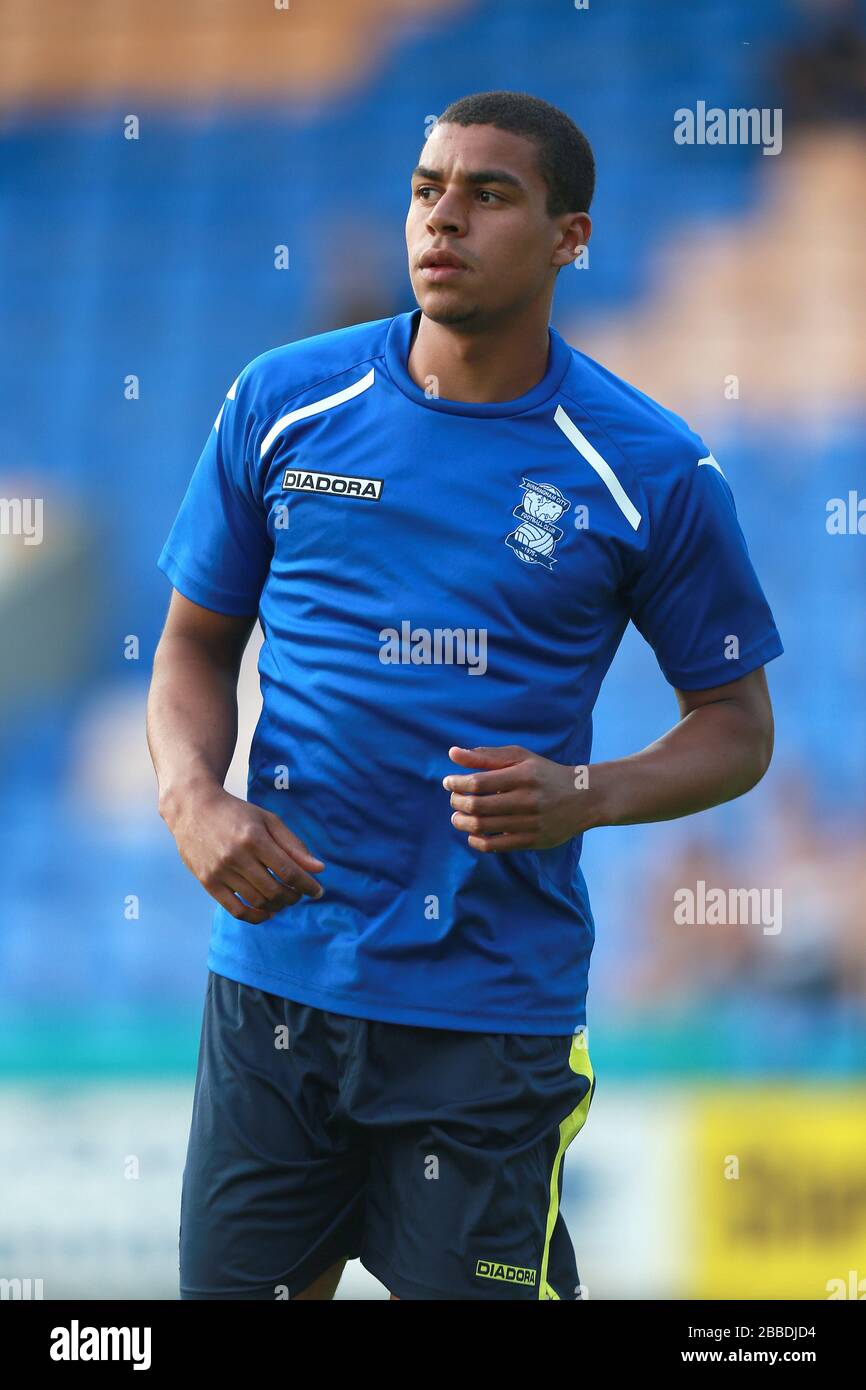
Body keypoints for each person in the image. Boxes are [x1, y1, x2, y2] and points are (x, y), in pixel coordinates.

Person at [146, 90, 783, 1301]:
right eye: (426, 188)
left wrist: (581, 795)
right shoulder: (283, 401)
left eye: (488, 194)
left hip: (486, 1018)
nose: (442, 218)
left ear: (568, 236)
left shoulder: (645, 466)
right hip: (275, 995)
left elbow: (736, 730)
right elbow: (189, 647)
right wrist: (189, 794)